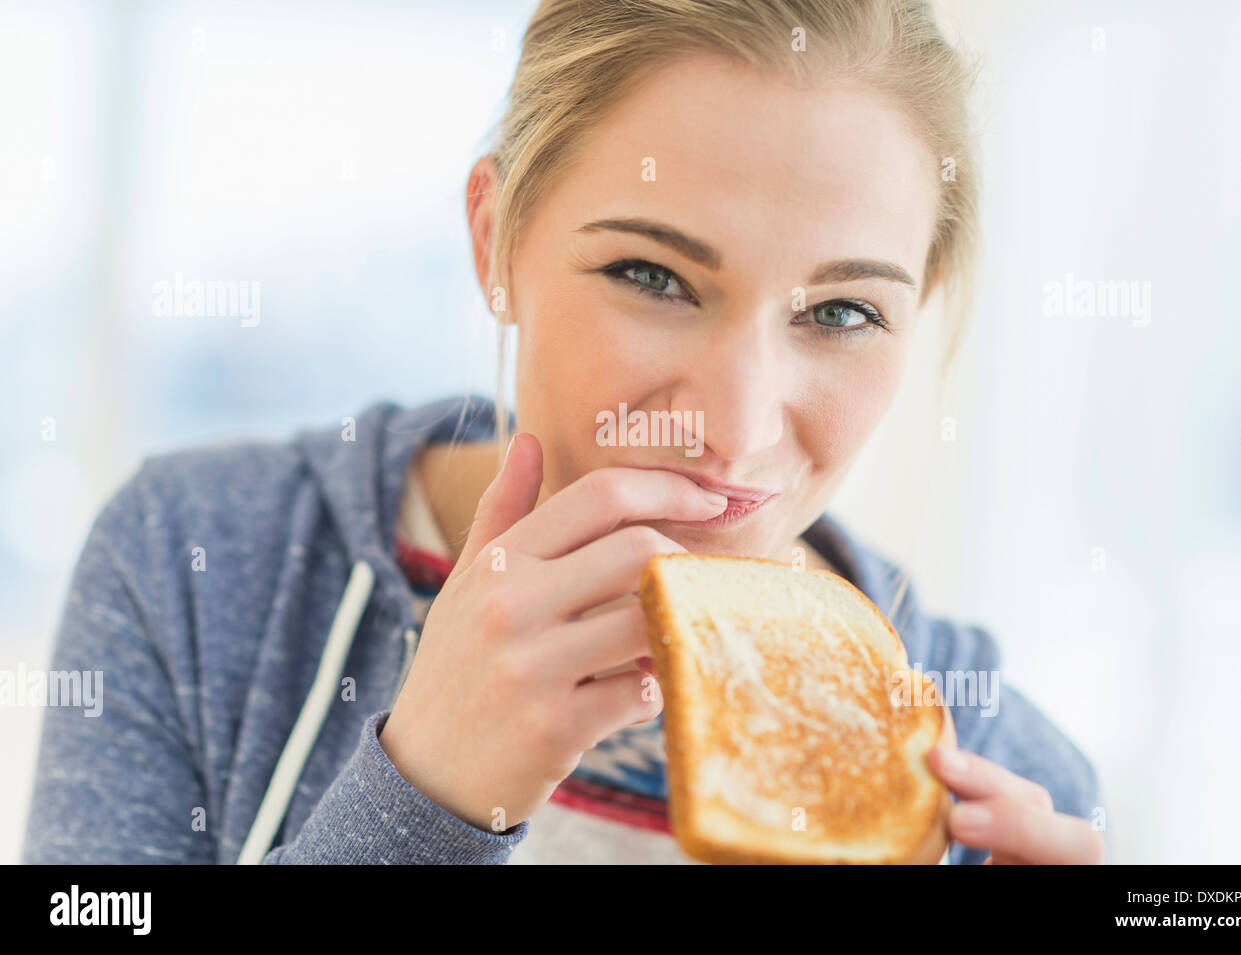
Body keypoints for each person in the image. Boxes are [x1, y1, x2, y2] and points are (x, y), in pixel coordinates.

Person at [22, 0, 1107, 865]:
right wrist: (424, 802)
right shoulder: (199, 564)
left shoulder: (995, 771)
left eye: (841, 313)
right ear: (496, 240)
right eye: (653, 276)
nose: (732, 429)